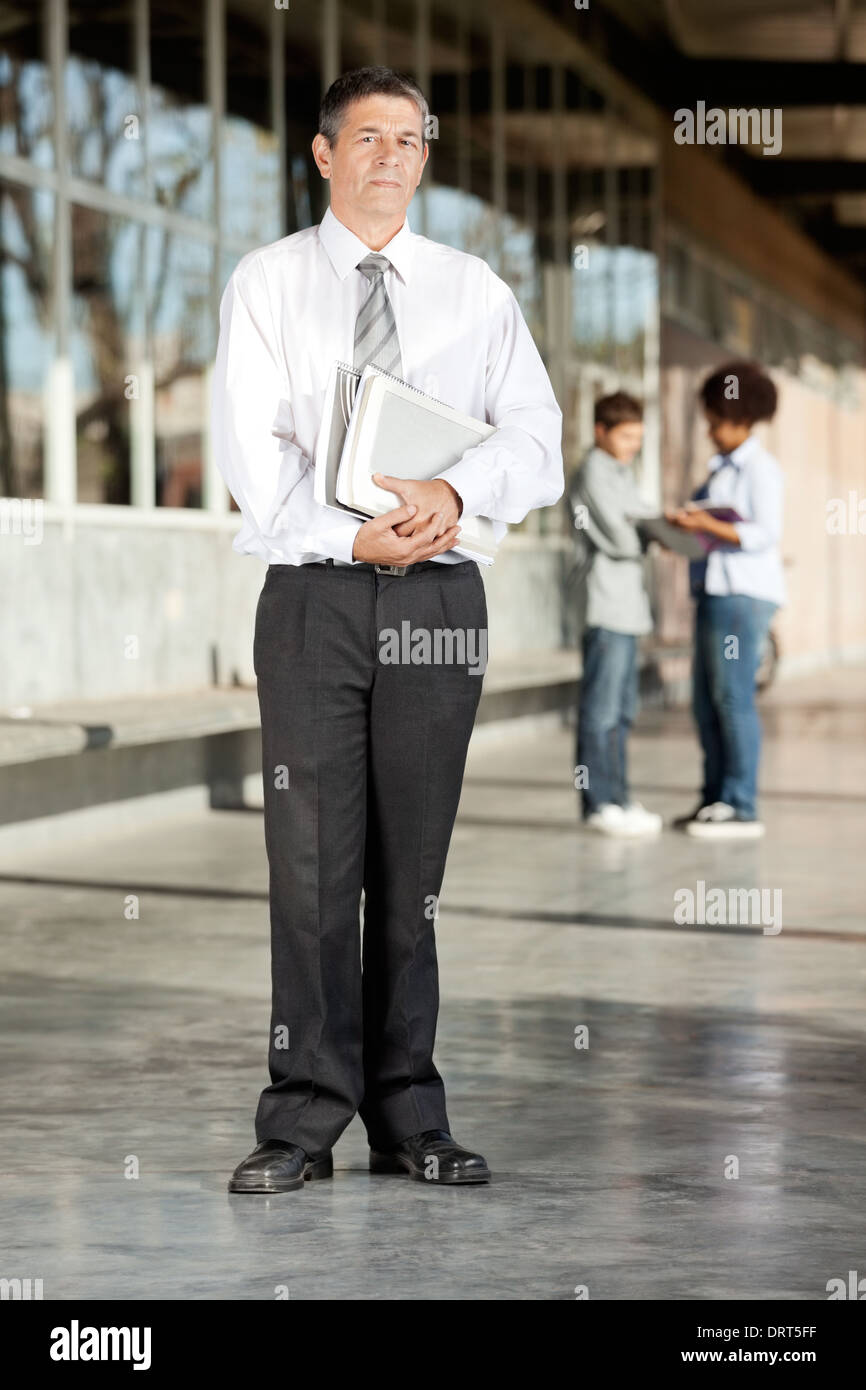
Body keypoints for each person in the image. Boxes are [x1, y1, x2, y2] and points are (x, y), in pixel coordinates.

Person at [211, 66, 563, 1193]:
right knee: (311, 866)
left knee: (411, 869)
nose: (388, 158)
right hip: (315, 596)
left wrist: (455, 499)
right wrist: (342, 531)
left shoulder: (472, 291)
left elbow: (537, 441)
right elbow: (246, 452)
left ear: (425, 154)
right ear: (323, 154)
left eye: (408, 140)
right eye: (365, 138)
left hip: (438, 600)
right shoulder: (267, 284)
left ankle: (410, 1111)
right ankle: (301, 1116)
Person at [667, 360, 785, 839]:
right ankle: (714, 798)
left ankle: (741, 804)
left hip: (742, 593)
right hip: (714, 591)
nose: (711, 431)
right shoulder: (721, 469)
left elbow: (764, 532)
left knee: (733, 697)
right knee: (705, 701)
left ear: (741, 418)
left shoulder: (761, 468)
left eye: (717, 421)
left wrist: (705, 525)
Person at [567, 392, 663, 837]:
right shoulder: (592, 473)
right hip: (605, 605)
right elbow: (621, 540)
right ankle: (598, 801)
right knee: (600, 711)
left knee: (622, 710)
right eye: (625, 436)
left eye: (638, 437)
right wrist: (649, 531)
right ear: (600, 431)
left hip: (628, 608)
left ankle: (620, 798)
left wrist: (657, 524)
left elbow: (640, 521)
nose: (632, 445)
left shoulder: (623, 473)